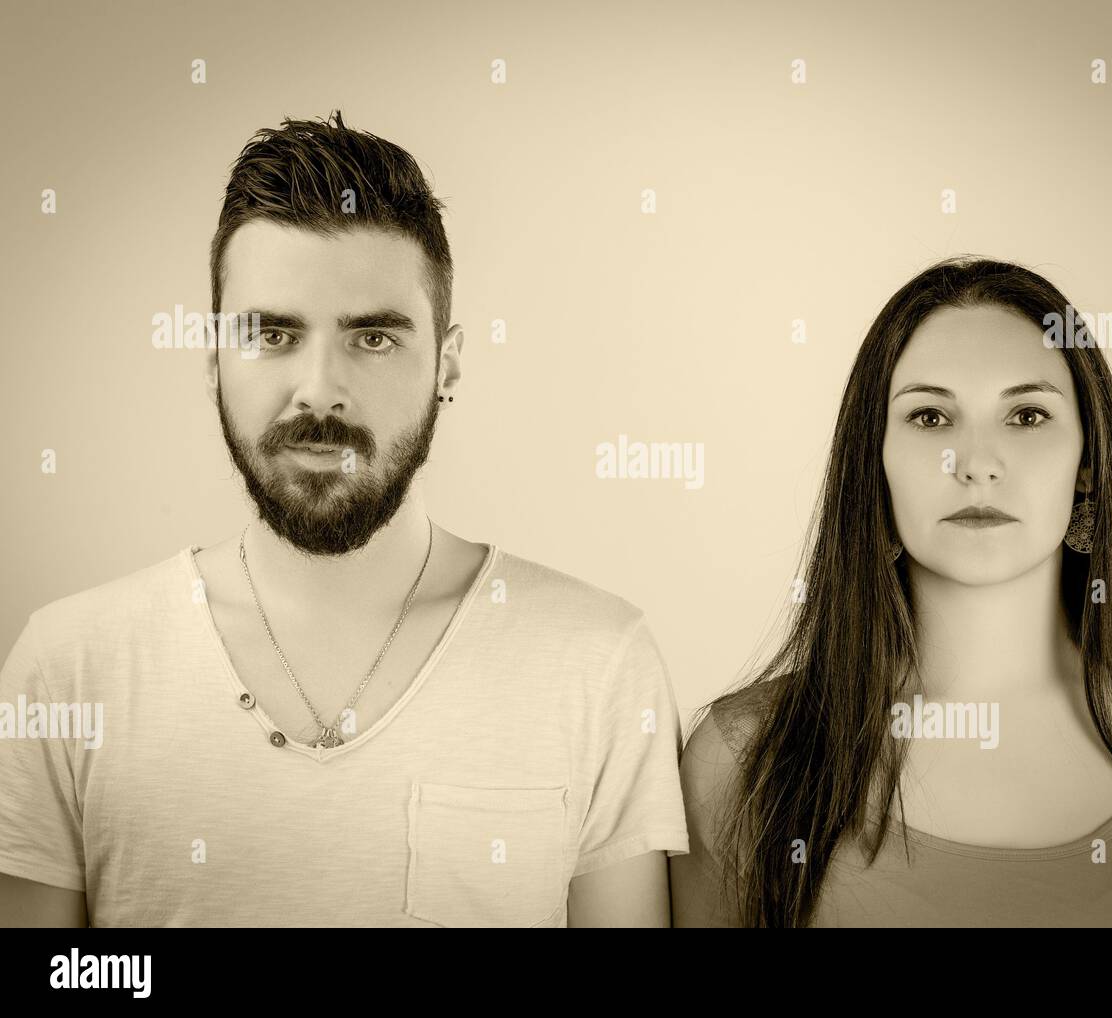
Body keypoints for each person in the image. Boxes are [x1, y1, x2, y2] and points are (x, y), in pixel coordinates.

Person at [0, 111, 688, 927]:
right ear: (213, 360)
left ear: (448, 365)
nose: (320, 391)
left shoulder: (598, 664)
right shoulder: (69, 667)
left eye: (373, 338)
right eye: (272, 334)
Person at [670, 257, 1112, 927]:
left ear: (1087, 464)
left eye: (1026, 416)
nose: (974, 465)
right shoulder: (740, 759)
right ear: (873, 463)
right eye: (929, 417)